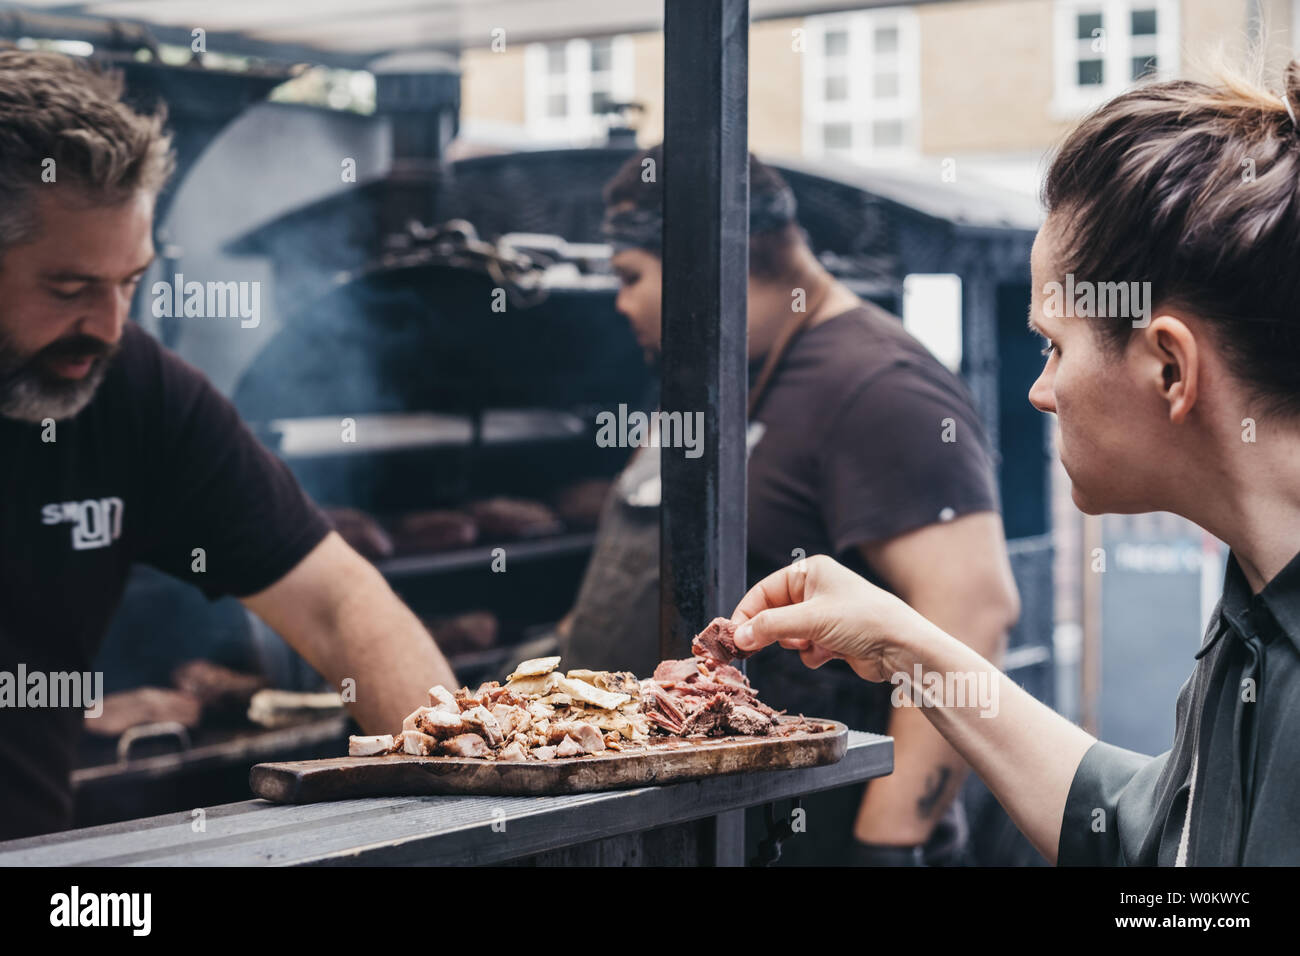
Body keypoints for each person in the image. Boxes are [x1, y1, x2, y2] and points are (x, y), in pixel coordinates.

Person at [729, 57, 1300, 865]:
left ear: (1170, 367)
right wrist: (904, 644)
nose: (1041, 389)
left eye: (1052, 345)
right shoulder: (1255, 607)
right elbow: (1151, 835)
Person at [0, 50, 456, 841]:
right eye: (68, 289)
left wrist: (470, 810)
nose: (108, 329)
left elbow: (340, 604)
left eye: (130, 282)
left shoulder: (134, 388)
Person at [559, 145, 1021, 865]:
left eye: (630, 277)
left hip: (814, 828)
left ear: (704, 269)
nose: (619, 303)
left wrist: (890, 842)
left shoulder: (880, 387)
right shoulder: (716, 374)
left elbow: (975, 611)